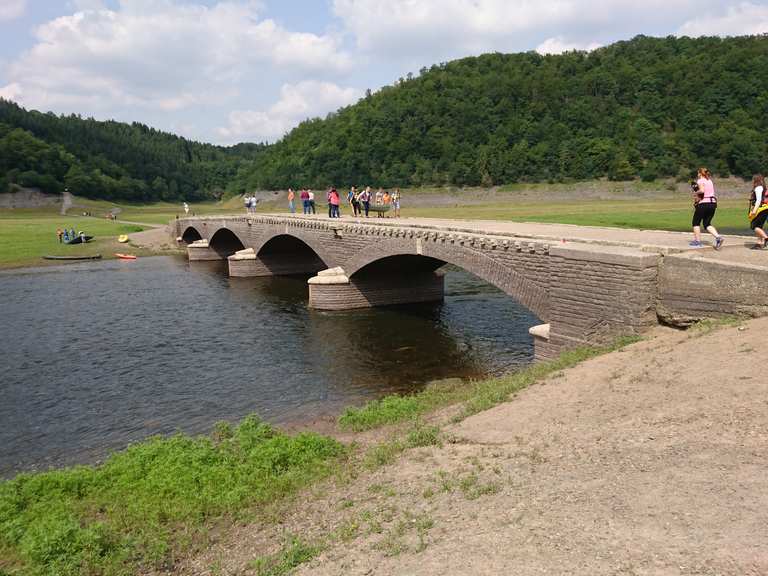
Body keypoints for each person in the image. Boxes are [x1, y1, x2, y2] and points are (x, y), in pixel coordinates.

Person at [690, 167, 724, 249]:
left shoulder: (700, 180)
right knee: (707, 223)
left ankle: (697, 242)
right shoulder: (709, 181)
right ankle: (718, 237)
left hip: (704, 203)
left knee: (695, 222)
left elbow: (701, 191)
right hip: (712, 203)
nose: (697, 175)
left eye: (698, 173)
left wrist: (695, 193)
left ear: (700, 173)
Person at [748, 174, 768, 249]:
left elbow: (759, 200)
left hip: (761, 209)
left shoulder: (758, 188)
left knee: (754, 226)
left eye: (753, 180)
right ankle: (759, 243)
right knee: (759, 226)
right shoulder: (763, 188)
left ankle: (766, 238)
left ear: (756, 180)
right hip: (765, 209)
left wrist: (754, 211)